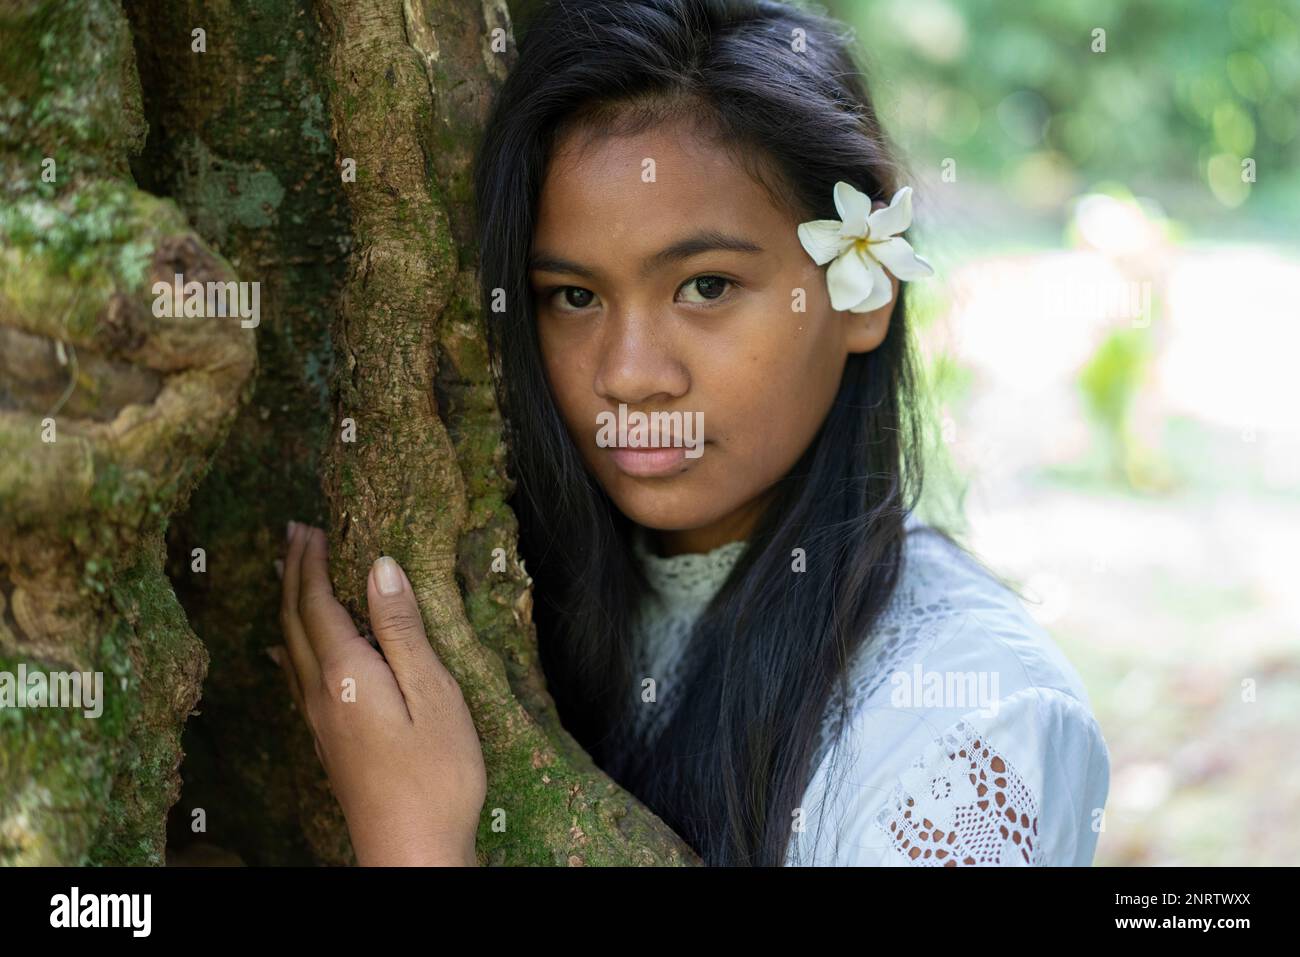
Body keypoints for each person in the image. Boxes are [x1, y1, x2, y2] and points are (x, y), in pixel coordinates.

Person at [273, 0, 1110, 867]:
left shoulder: (967, 727)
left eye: (706, 286)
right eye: (574, 295)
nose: (630, 374)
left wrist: (413, 844)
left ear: (865, 290)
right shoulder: (530, 611)